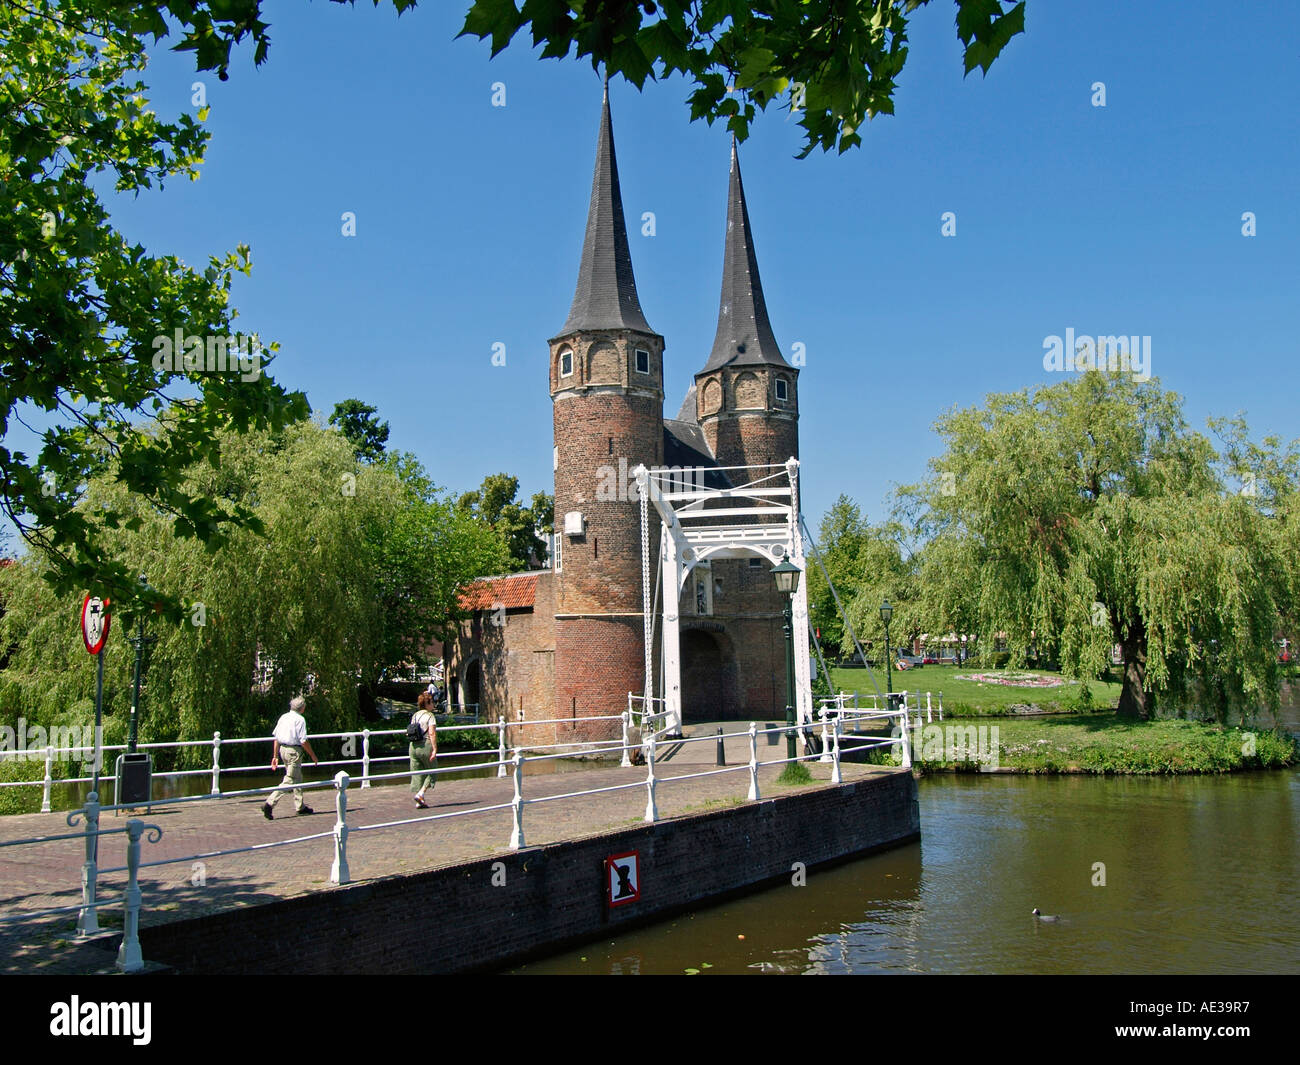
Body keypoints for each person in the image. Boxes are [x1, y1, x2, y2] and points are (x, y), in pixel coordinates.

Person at [262, 695, 319, 820]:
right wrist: (313, 756)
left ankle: (300, 806)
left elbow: (276, 737)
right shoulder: (300, 720)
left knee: (297, 777)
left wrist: (275, 755)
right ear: (302, 708)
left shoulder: (284, 717)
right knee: (290, 779)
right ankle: (269, 803)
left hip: (283, 750)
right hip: (294, 752)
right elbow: (303, 741)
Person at [409, 691, 438, 809]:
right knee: (433, 770)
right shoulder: (430, 716)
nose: (434, 705)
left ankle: (419, 800)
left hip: (413, 747)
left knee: (418, 773)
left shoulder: (415, 715)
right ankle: (420, 793)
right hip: (425, 745)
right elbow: (432, 733)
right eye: (432, 702)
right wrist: (435, 748)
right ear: (427, 703)